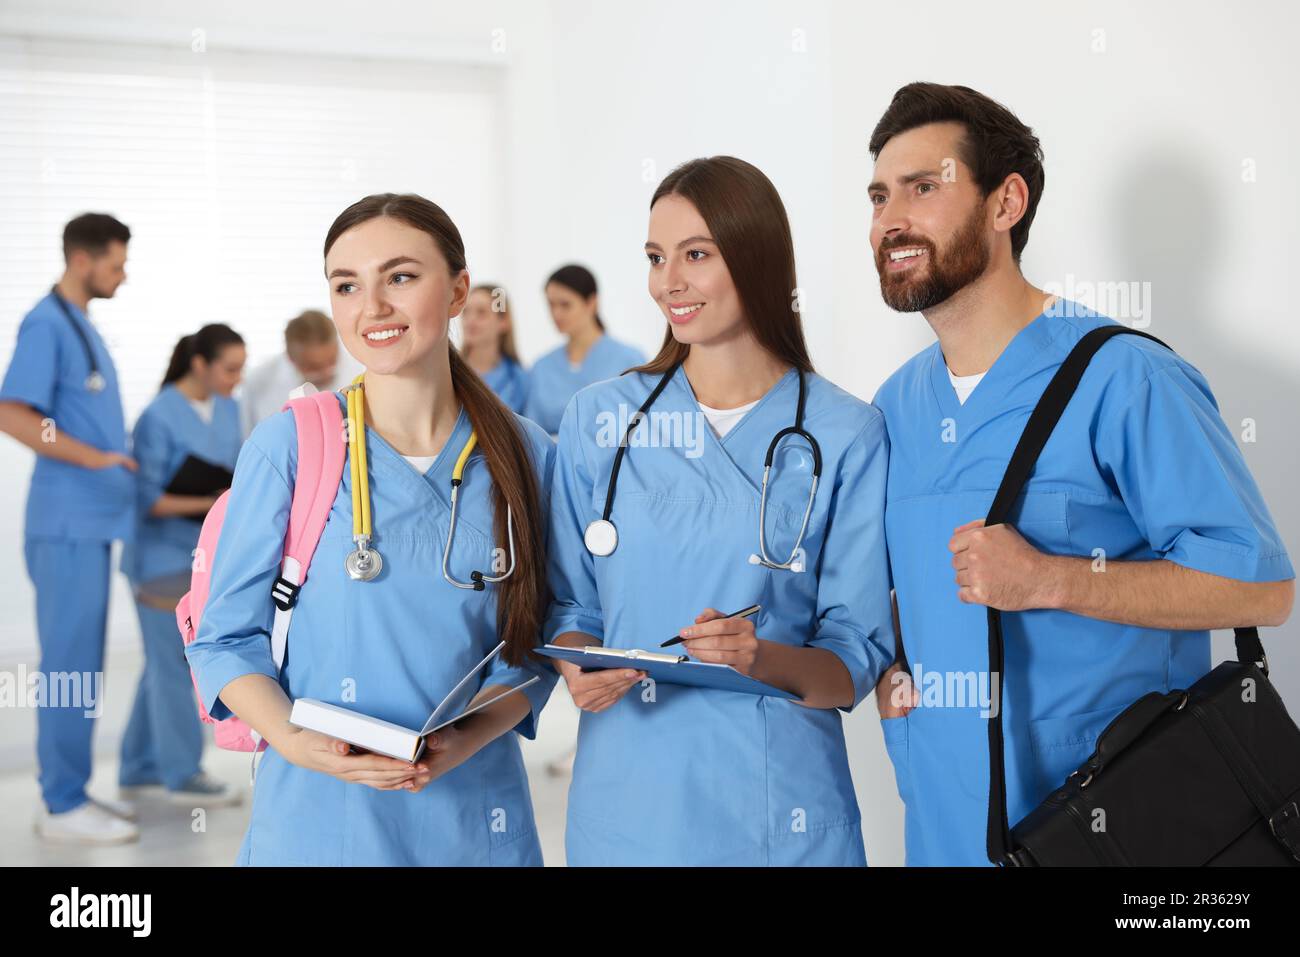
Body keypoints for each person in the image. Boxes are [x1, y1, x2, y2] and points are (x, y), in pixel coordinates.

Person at [866, 82, 1295, 866]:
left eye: (924, 188)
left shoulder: (1123, 377)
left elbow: (1260, 588)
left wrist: (1049, 580)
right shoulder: (893, 408)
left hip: (1118, 834)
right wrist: (894, 678)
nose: (891, 219)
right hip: (945, 833)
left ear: (1006, 202)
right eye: (880, 195)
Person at [184, 193, 558, 865]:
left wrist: (468, 734)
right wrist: (295, 742)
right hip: (319, 821)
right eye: (347, 285)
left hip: (475, 825)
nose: (372, 306)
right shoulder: (291, 446)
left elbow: (536, 642)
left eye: (401, 276)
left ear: (458, 291)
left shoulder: (527, 455)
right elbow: (224, 639)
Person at [545, 157, 895, 865]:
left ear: (757, 258)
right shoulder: (599, 419)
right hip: (627, 802)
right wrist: (576, 665)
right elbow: (568, 608)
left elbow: (853, 658)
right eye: (655, 257)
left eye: (696, 254)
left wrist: (756, 656)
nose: (667, 281)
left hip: (777, 806)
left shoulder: (844, 431)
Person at [0, 213, 140, 844]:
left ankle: (74, 792)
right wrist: (90, 456)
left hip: (89, 524)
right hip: (65, 525)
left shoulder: (78, 324)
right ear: (83, 260)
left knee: (82, 661)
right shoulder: (45, 323)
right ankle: (60, 806)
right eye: (116, 263)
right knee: (68, 667)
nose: (123, 274)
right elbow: (12, 412)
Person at [118, 324, 247, 810]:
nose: (237, 379)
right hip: (158, 560)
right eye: (229, 369)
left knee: (160, 667)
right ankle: (184, 773)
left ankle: (137, 765)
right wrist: (209, 500)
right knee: (177, 664)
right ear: (201, 365)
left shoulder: (230, 408)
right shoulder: (158, 415)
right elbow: (147, 499)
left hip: (201, 557)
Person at [523, 264, 643, 435]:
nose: (556, 314)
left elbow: (643, 428)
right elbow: (531, 433)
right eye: (551, 305)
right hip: (553, 461)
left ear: (591, 303)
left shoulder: (629, 360)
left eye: (565, 305)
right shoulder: (542, 367)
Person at [238, 309, 362, 437]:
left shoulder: (363, 368)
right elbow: (250, 440)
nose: (326, 371)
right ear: (291, 358)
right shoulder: (257, 383)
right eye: (314, 367)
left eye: (331, 361)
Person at [459, 283, 528, 413]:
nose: (470, 320)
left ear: (503, 321)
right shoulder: (448, 373)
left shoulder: (520, 380)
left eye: (481, 313)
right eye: (466, 312)